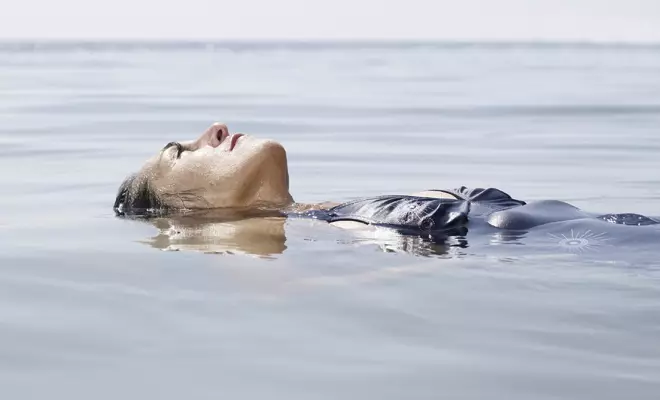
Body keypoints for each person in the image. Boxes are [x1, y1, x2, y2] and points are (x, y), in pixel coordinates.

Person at [115, 123, 660, 256]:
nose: (211, 131)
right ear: (181, 216)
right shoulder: (291, 248)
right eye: (179, 153)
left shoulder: (318, 220)